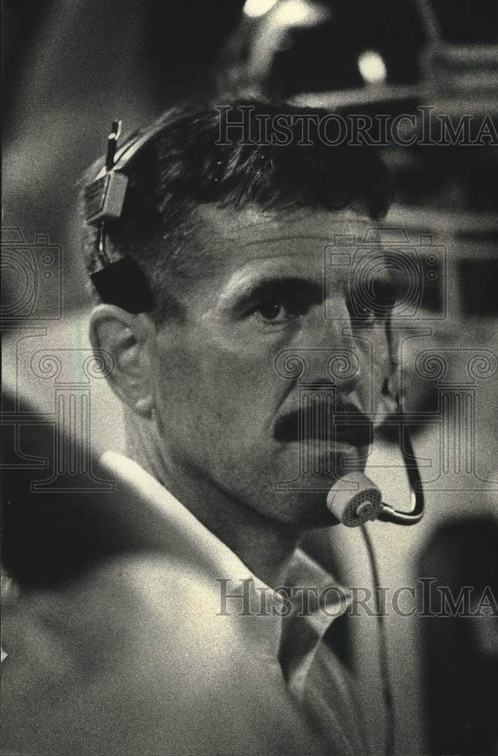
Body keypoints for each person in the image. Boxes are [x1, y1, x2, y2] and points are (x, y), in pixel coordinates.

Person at [1, 100, 399, 755]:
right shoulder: (82, 670)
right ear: (130, 359)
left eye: (366, 310)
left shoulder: (317, 664)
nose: (345, 364)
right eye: (273, 307)